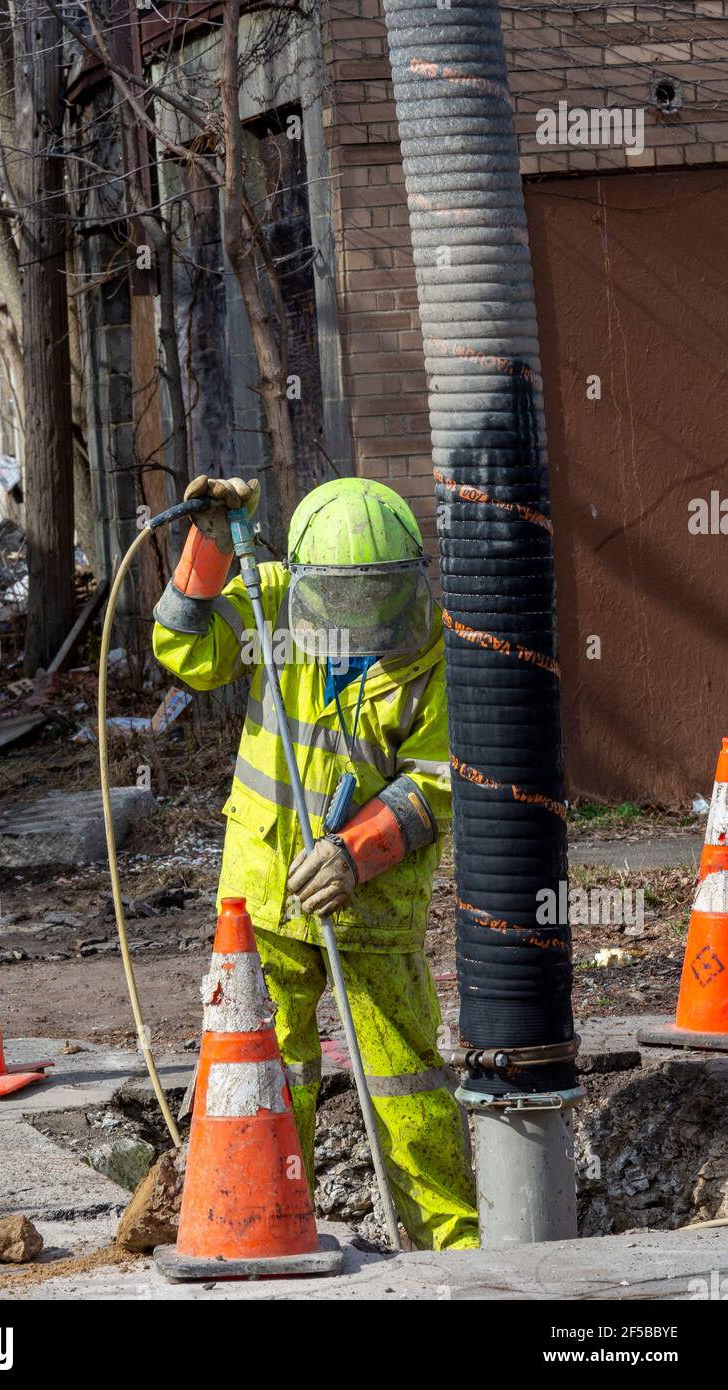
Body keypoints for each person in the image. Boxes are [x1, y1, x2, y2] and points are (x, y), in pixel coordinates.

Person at [152, 473, 478, 1249]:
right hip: (262, 896)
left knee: (404, 1079)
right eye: (342, 598)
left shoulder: (436, 647)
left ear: (411, 577)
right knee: (265, 1070)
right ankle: (260, 1222)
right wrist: (208, 541)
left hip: (373, 907)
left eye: (377, 597)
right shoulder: (269, 603)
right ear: (303, 578)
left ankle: (452, 1247)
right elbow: (184, 651)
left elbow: (443, 779)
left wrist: (356, 851)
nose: (360, 618)